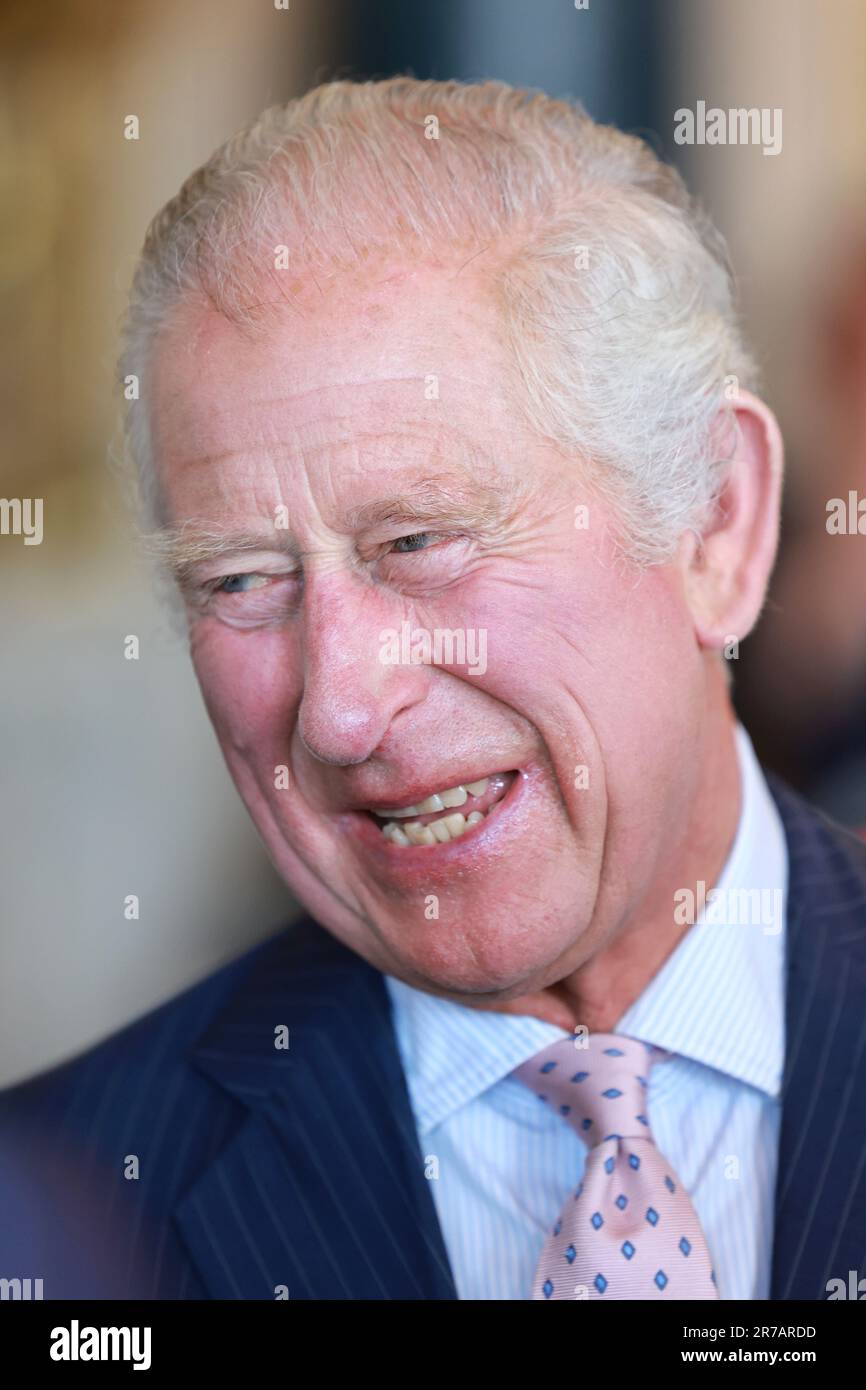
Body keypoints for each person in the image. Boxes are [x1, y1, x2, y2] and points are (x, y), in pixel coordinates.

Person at [1, 78, 864, 1302]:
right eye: (242, 579)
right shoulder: (62, 1223)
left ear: (713, 522)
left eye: (418, 543)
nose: (338, 711)